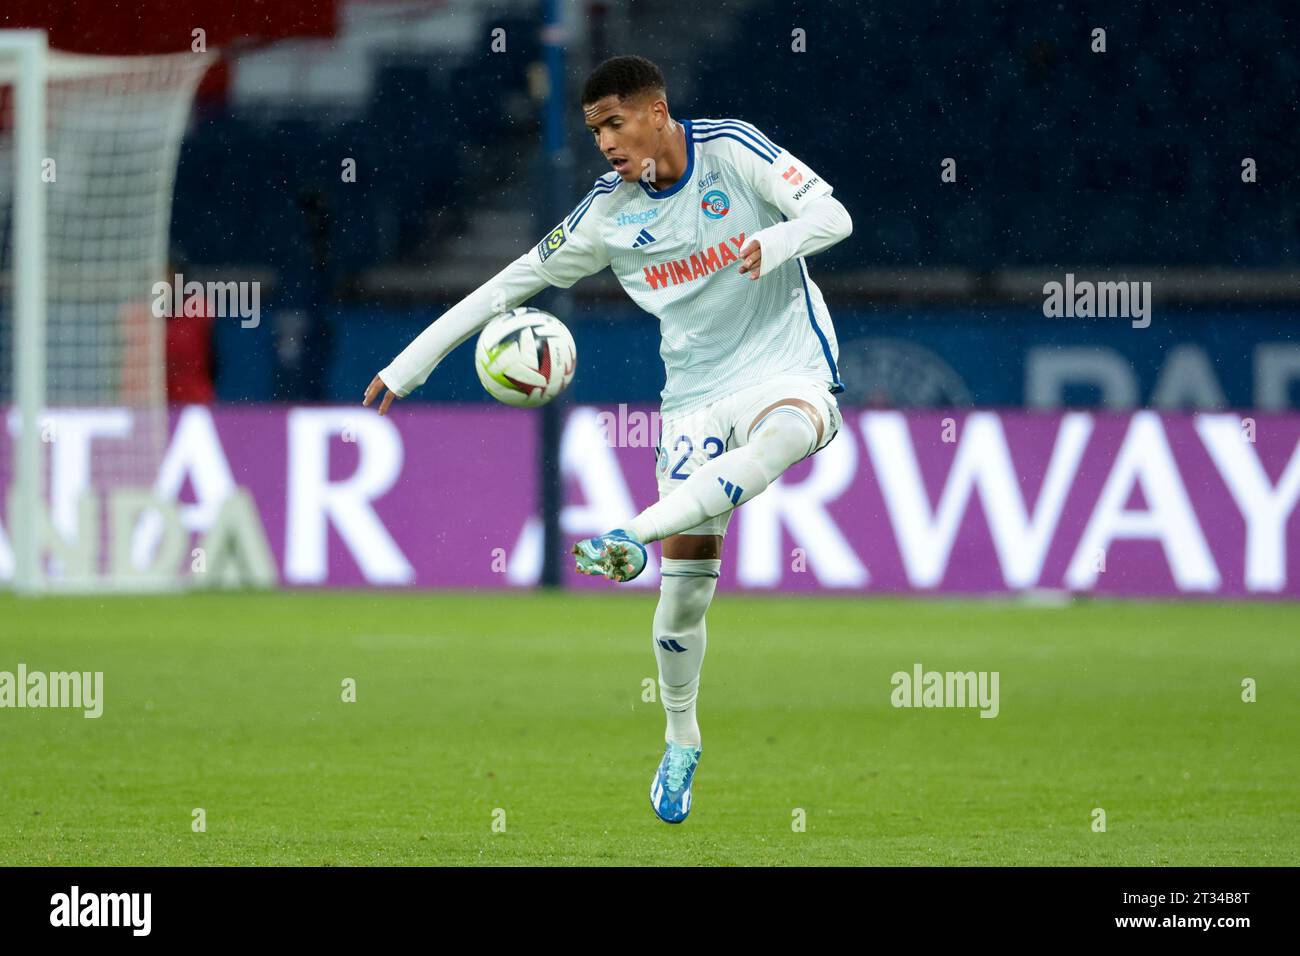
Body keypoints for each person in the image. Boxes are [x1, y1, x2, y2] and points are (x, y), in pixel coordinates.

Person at [363, 55, 852, 824]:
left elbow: (835, 216)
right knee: (685, 601)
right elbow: (509, 285)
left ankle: (629, 532)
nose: (606, 144)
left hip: (786, 365)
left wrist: (780, 241)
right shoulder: (606, 213)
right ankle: (682, 738)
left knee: (775, 447)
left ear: (657, 112)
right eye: (595, 131)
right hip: (691, 400)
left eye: (615, 123)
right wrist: (409, 364)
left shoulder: (733, 148)